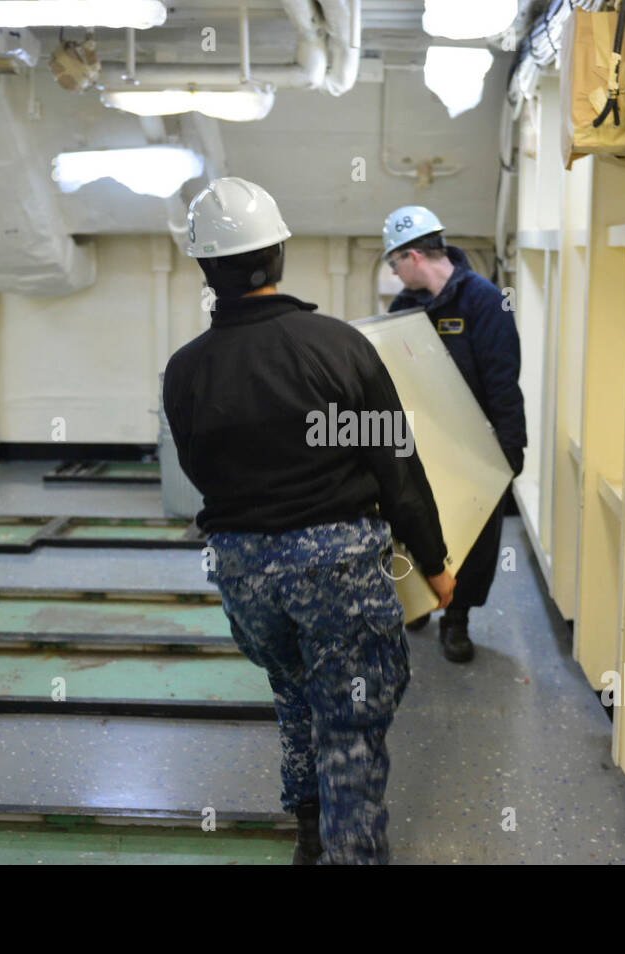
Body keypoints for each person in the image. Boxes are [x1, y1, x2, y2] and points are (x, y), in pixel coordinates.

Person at [163, 177, 456, 865]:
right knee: (349, 719)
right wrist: (436, 563)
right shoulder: (340, 347)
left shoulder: (186, 372)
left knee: (293, 692)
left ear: (208, 269)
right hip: (335, 569)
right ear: (280, 254)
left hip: (241, 574)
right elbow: (397, 469)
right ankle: (350, 852)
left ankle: (308, 830)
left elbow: (203, 472)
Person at [383, 205, 526, 664]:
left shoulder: (483, 301)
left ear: (414, 256)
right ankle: (421, 599)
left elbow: (504, 379)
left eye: (393, 263)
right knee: (415, 525)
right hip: (420, 441)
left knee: (474, 536)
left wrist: (510, 448)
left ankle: (457, 619)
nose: (394, 273)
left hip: (476, 444)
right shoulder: (404, 308)